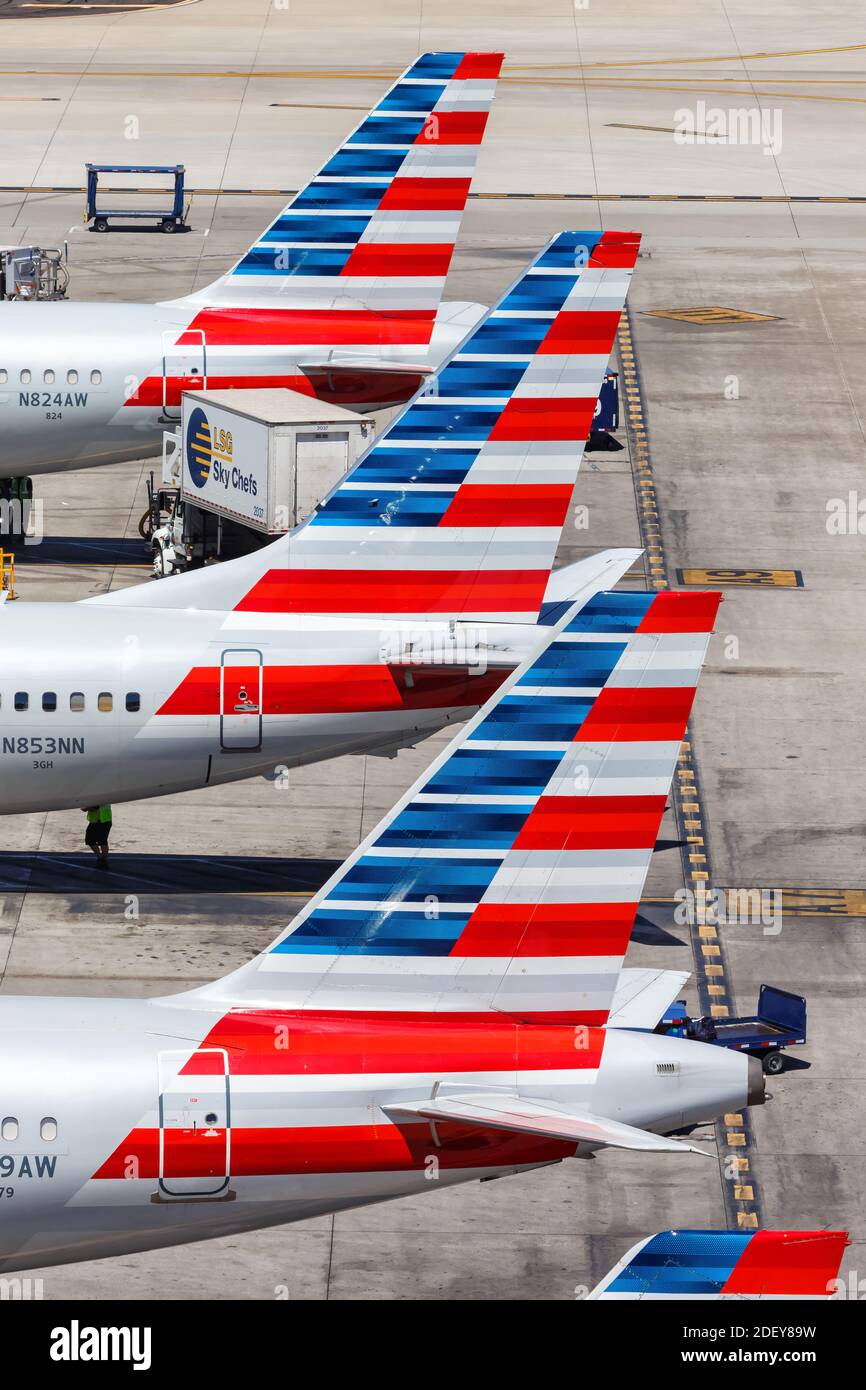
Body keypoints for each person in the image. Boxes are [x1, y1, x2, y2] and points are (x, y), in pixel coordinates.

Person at [84, 805, 112, 869]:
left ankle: (103, 861)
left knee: (102, 841)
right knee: (90, 840)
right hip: (94, 820)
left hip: (105, 820)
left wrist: (86, 808)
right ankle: (101, 859)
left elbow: (95, 808)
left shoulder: (102, 796)